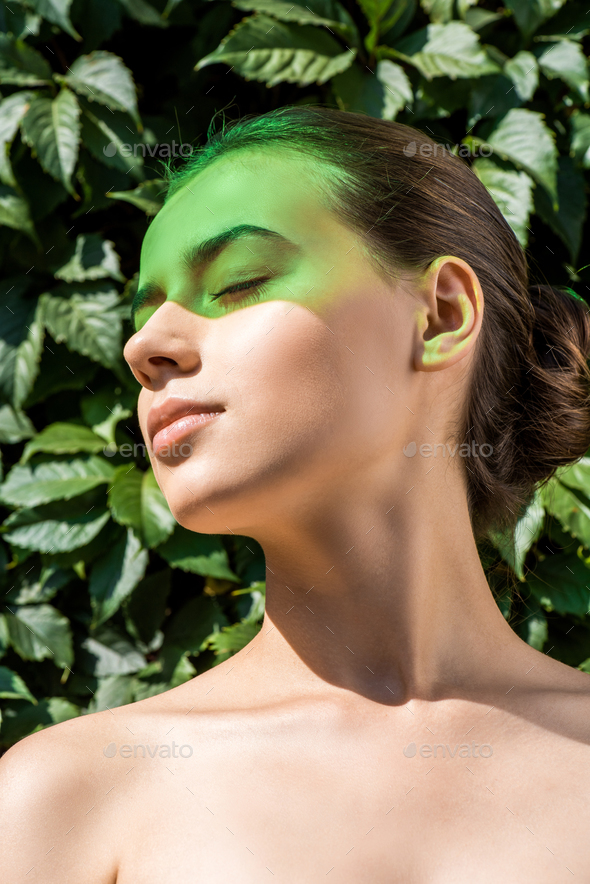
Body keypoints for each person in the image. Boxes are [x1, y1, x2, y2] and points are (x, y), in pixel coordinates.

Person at [2, 105, 590, 882]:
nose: (141, 348)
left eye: (239, 282)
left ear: (441, 314)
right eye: (144, 316)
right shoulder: (66, 797)